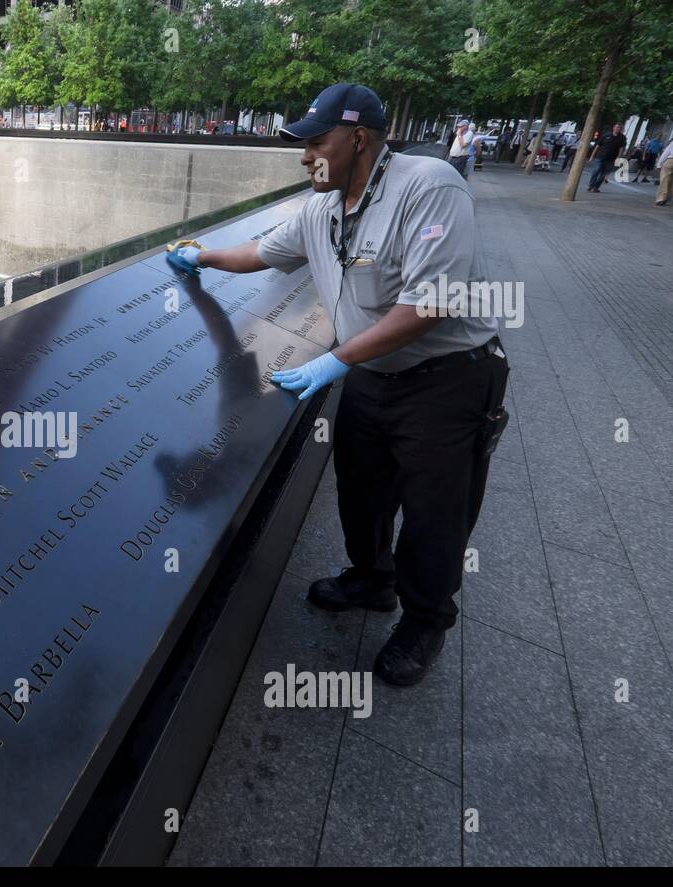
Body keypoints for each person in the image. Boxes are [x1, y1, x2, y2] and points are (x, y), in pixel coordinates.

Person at [165, 83, 507, 687]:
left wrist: (333, 363)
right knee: (362, 489)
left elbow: (432, 304)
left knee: (436, 511)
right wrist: (203, 257)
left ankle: (426, 621)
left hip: (447, 381)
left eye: (314, 142)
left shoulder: (428, 187)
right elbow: (262, 253)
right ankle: (373, 581)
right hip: (371, 373)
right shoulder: (321, 209)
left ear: (357, 139)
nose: (304, 155)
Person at [587, 124, 626, 191]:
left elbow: (621, 149)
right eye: (617, 127)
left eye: (620, 128)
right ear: (613, 128)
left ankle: (596, 187)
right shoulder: (606, 135)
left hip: (611, 159)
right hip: (600, 156)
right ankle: (591, 185)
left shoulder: (622, 138)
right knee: (596, 170)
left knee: (603, 174)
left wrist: (618, 157)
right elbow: (597, 146)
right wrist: (592, 156)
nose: (618, 129)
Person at [656, 138, 673, 206]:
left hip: (670, 161)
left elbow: (666, 153)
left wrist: (659, 164)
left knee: (664, 179)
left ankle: (661, 198)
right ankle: (667, 198)